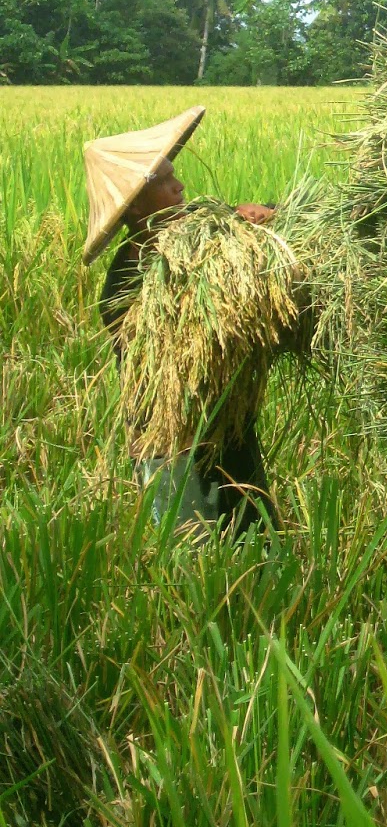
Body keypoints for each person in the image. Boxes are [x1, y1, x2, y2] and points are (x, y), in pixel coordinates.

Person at [83, 105, 278, 538]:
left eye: (176, 175)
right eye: (164, 181)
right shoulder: (128, 284)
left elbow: (247, 219)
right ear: (133, 206)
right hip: (174, 444)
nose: (180, 187)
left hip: (229, 428)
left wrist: (260, 214)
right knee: (198, 568)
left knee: (262, 554)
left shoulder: (196, 237)